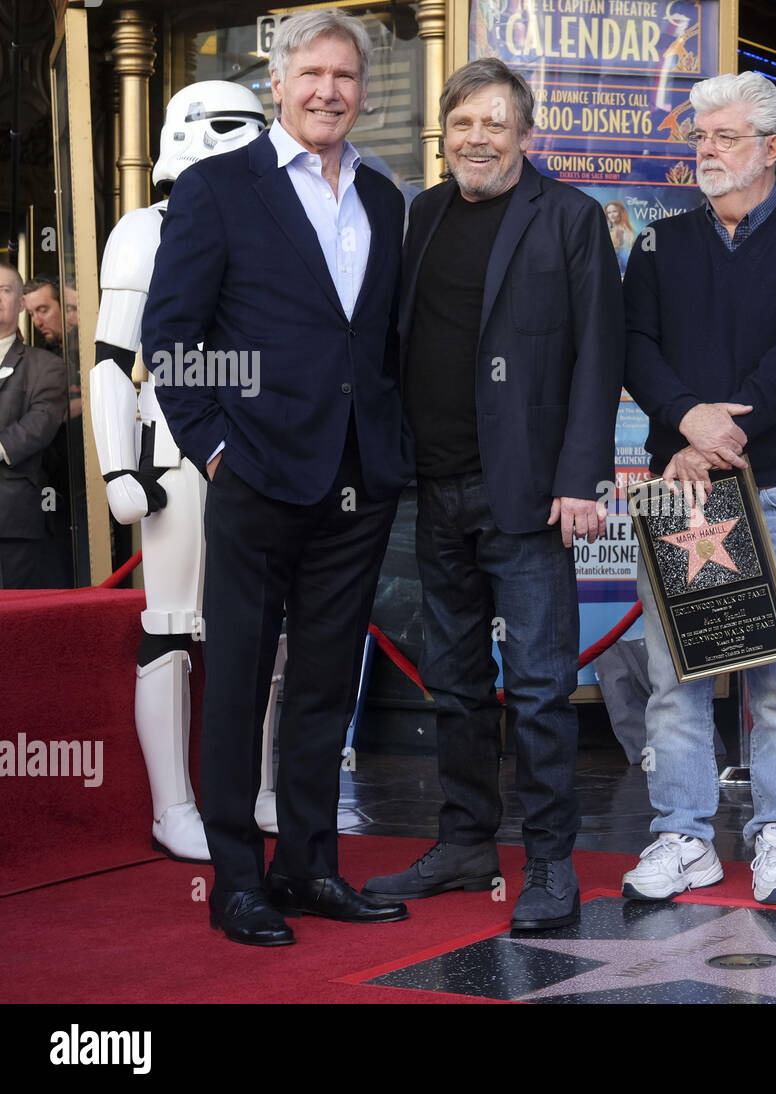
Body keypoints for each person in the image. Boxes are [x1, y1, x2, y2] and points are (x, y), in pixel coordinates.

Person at [142, 10, 414, 945]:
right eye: (313, 74)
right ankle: (235, 880)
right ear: (279, 82)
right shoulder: (219, 190)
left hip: (357, 478)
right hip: (254, 475)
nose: (329, 91)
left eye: (346, 77)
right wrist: (215, 450)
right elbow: (171, 344)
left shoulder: (382, 199)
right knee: (241, 680)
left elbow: (376, 341)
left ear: (363, 92)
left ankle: (309, 866)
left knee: (326, 685)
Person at [361, 57, 622, 931]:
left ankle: (550, 863)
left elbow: (599, 357)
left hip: (529, 496)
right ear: (447, 132)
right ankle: (468, 842)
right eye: (463, 124)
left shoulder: (573, 218)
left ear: (525, 134)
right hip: (433, 490)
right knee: (457, 685)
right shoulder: (422, 214)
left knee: (543, 688)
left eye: (494, 125)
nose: (477, 139)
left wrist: (584, 478)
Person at [618, 71, 776, 905]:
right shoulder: (658, 244)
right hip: (679, 484)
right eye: (698, 137)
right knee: (677, 676)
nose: (705, 151)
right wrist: (689, 421)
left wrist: (723, 434)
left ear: (772, 146)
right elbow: (635, 348)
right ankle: (683, 838)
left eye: (722, 137)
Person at [89, 80, 273, 863]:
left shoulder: (280, 220)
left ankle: (262, 790)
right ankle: (174, 805)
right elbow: (109, 360)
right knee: (170, 627)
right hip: (176, 452)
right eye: (235, 126)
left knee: (275, 628)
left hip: (269, 448)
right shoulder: (145, 230)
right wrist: (116, 469)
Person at [0, 264, 67, 588]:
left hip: (11, 520)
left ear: (19, 304)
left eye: (5, 290)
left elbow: (40, 423)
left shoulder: (47, 366)